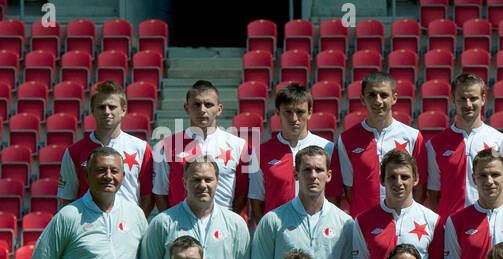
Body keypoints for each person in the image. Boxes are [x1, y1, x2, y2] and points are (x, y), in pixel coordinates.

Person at [354, 149, 443, 259]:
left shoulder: (432, 220)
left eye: (405, 177)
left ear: (415, 179)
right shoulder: (363, 221)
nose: (398, 182)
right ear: (382, 180)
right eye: (392, 177)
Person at [333, 71, 427, 217]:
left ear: (394, 98)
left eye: (384, 95)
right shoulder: (346, 139)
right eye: (372, 95)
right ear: (362, 99)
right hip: (364, 223)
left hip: (403, 221)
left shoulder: (412, 136)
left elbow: (419, 187)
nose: (378, 101)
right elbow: (349, 190)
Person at [58, 81, 157, 214]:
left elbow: (148, 197)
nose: (107, 112)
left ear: (123, 110)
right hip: (87, 227)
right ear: (92, 110)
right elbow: (67, 198)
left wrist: (135, 225)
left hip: (127, 227)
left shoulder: (141, 148)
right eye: (101, 107)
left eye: (112, 107)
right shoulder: (74, 152)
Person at [248, 83, 340, 227]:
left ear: (310, 112)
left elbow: (334, 197)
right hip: (277, 232)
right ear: (278, 112)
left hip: (316, 229)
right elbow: (256, 200)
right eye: (288, 112)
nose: (294, 118)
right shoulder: (260, 152)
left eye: (300, 112)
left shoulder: (327, 148)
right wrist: (268, 232)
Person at [153, 80, 249, 213]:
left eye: (208, 105)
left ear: (219, 109)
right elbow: (160, 192)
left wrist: (227, 221)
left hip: (223, 227)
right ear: (187, 108)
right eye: (197, 104)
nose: (202, 110)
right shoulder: (165, 146)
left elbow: (242, 194)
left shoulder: (239, 146)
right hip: (181, 226)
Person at [425, 73, 503, 216]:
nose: (468, 104)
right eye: (462, 99)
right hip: (449, 225)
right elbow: (433, 193)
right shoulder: (435, 144)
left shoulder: (500, 140)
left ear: (483, 100)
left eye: (473, 98)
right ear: (453, 100)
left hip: (487, 222)